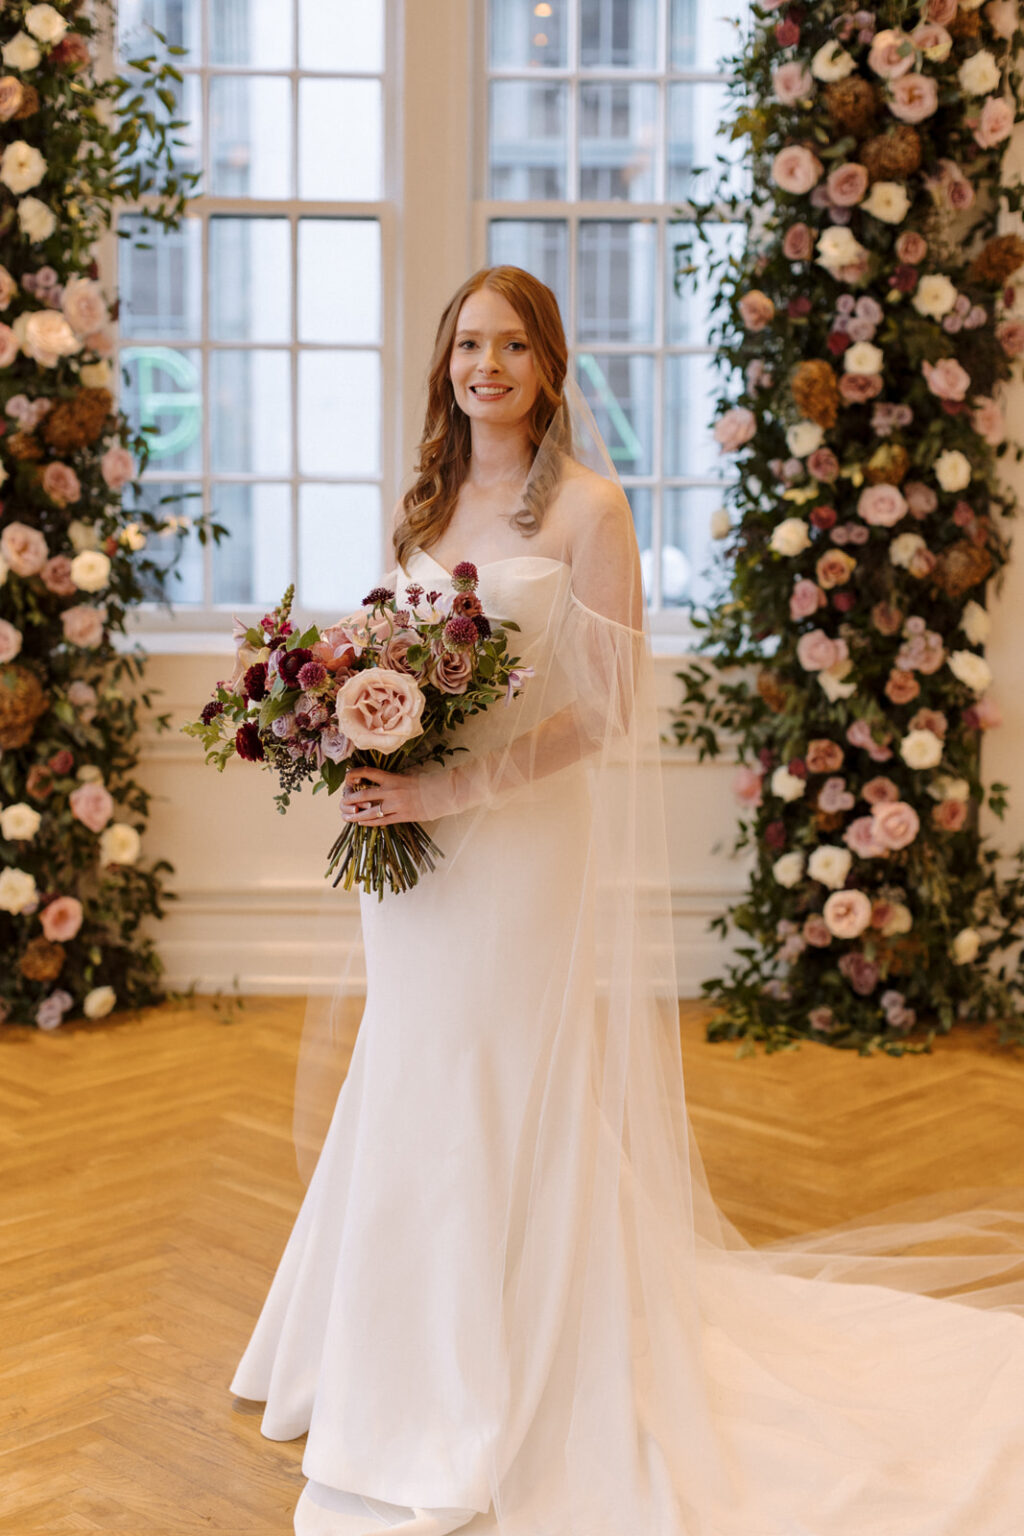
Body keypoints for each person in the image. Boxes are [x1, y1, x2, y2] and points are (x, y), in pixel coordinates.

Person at [229, 267, 1024, 1536]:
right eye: (467, 344)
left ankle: (508, 1369)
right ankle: (380, 1353)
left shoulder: (590, 508)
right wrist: (358, 745)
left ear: (550, 364)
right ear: (444, 363)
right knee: (416, 1068)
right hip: (412, 851)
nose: (485, 366)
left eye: (512, 345)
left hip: (516, 844)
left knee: (498, 1076)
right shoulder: (425, 498)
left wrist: (452, 786)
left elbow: (602, 715)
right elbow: (390, 656)